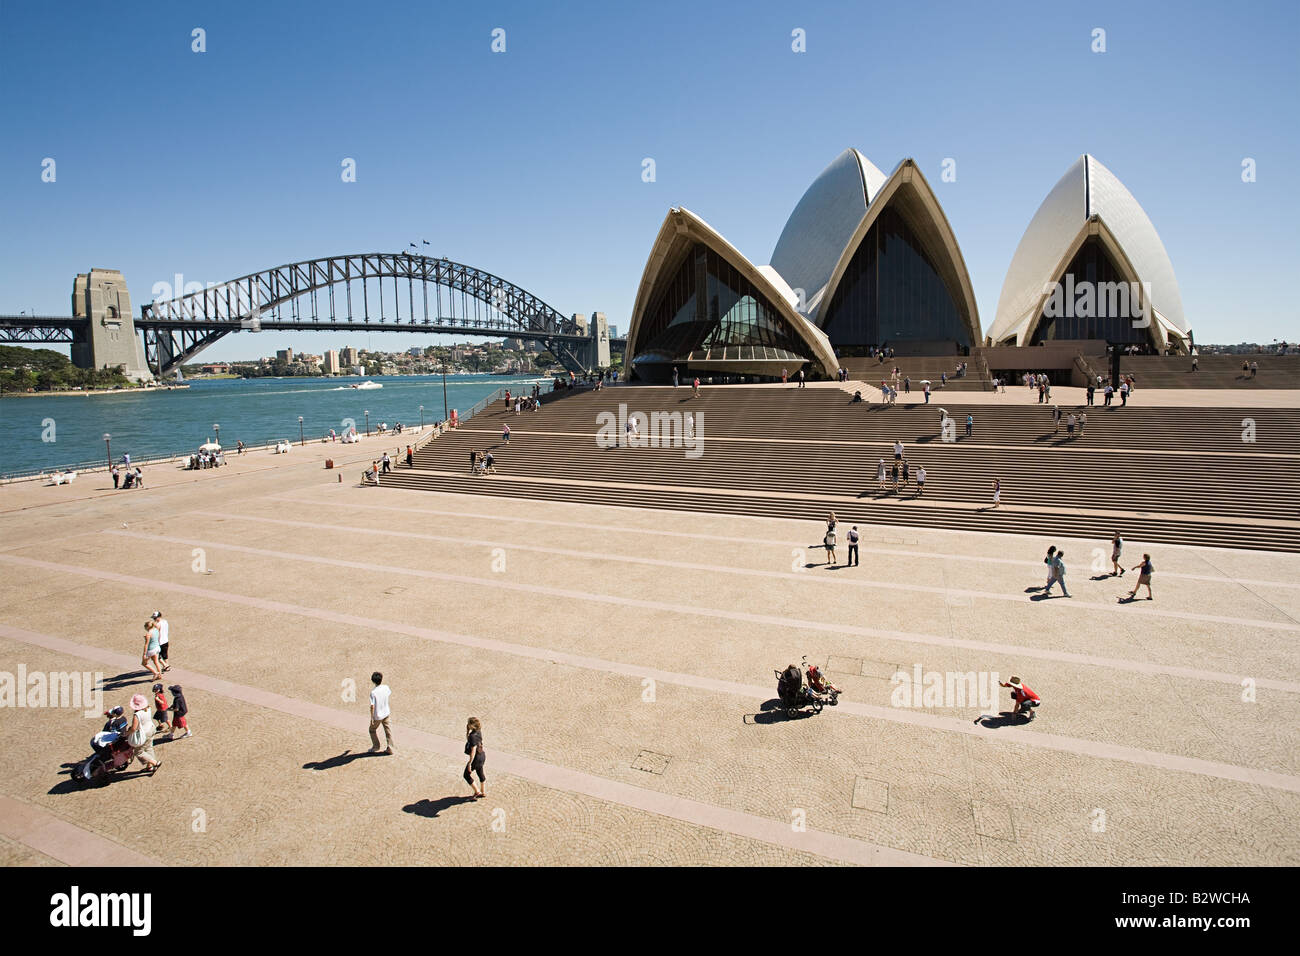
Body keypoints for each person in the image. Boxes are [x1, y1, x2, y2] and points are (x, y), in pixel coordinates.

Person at [126, 693, 161, 773]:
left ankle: (155, 763)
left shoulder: (137, 715)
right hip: (151, 728)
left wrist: (127, 733)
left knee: (138, 752)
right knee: (149, 748)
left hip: (145, 733)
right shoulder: (148, 708)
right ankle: (150, 766)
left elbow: (133, 728)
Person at [368, 672, 393, 754]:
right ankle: (390, 748)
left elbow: (372, 706)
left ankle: (376, 746)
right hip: (386, 712)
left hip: (378, 715)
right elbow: (388, 694)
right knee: (388, 731)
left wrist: (372, 718)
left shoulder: (373, 693)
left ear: (373, 681)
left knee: (372, 730)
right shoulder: (386, 687)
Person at [463, 717, 486, 798]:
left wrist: (470, 763)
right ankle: (483, 791)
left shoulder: (472, 736)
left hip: (476, 759)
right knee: (480, 773)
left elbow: (473, 750)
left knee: (466, 775)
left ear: (471, 726)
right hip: (482, 756)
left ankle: (477, 791)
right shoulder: (479, 731)